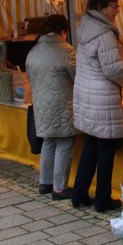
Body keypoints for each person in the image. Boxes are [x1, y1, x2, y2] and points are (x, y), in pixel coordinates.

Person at [71, 0, 123, 212]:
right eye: (114, 6)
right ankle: (102, 200)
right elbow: (113, 70)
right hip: (102, 99)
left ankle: (79, 194)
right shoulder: (105, 34)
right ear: (101, 7)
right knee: (105, 150)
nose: (118, 10)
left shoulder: (86, 27)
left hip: (87, 95)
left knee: (91, 146)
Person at [25, 14, 77, 200]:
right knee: (64, 143)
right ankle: (60, 188)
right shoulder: (67, 51)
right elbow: (78, 78)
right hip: (63, 105)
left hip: (41, 106)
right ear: (64, 31)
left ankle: (45, 182)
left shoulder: (33, 51)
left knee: (48, 141)